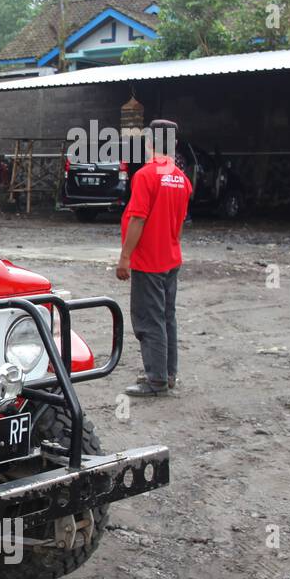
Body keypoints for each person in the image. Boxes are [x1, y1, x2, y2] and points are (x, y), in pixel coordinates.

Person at [116, 119, 193, 397]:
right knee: (166, 317)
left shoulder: (147, 176)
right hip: (171, 259)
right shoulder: (182, 179)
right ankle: (167, 373)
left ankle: (156, 380)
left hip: (149, 262)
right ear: (172, 144)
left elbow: (138, 217)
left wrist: (125, 257)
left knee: (149, 320)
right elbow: (180, 224)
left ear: (149, 143)